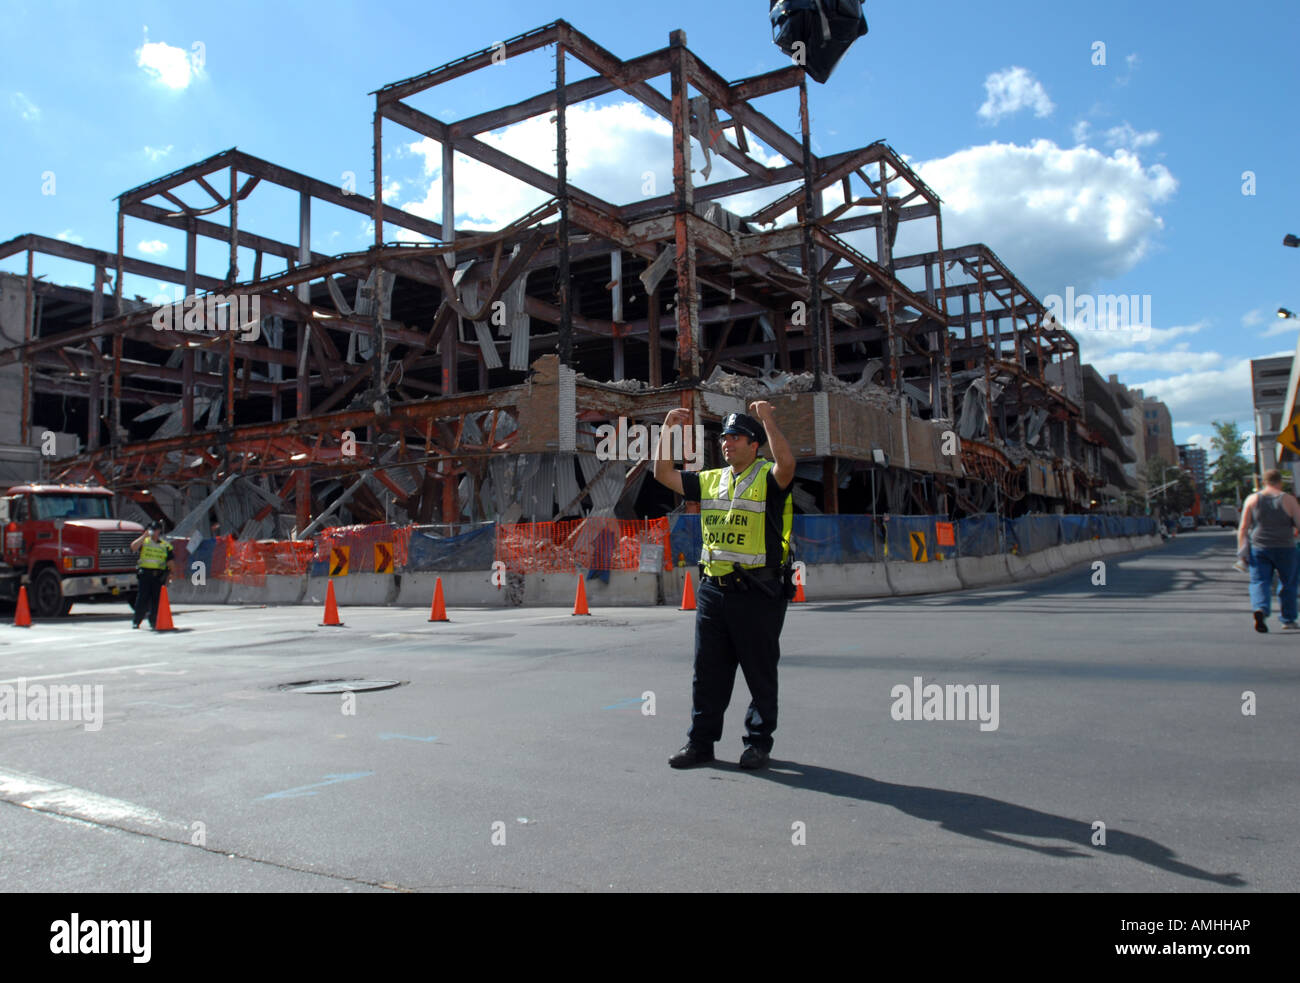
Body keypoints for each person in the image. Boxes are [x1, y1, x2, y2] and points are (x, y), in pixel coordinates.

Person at [653, 403, 795, 771]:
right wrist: (668, 429)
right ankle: (700, 744)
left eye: (736, 437)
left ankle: (758, 744)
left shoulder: (768, 477)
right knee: (707, 674)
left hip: (757, 592)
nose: (727, 443)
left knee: (759, 673)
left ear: (755, 445)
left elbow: (788, 464)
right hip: (713, 591)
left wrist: (767, 417)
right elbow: (663, 473)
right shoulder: (711, 479)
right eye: (725, 437)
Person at [1237, 470, 1300, 632]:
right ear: (1280, 482)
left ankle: (1260, 609)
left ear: (1263, 482)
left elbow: (1243, 528)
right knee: (1288, 583)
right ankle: (1288, 619)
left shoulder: (1252, 499)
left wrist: (1242, 552)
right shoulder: (1288, 499)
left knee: (1260, 581)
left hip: (1260, 547)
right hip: (1286, 547)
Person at [130, 522, 175, 629]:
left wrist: (171, 574)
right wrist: (143, 536)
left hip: (158, 576)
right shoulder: (144, 542)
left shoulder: (166, 545)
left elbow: (170, 562)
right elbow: (133, 547)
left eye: (155, 530)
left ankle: (153, 622)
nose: (153, 532)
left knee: (156, 601)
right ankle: (136, 621)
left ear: (159, 531)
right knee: (142, 599)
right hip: (145, 575)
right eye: (151, 529)